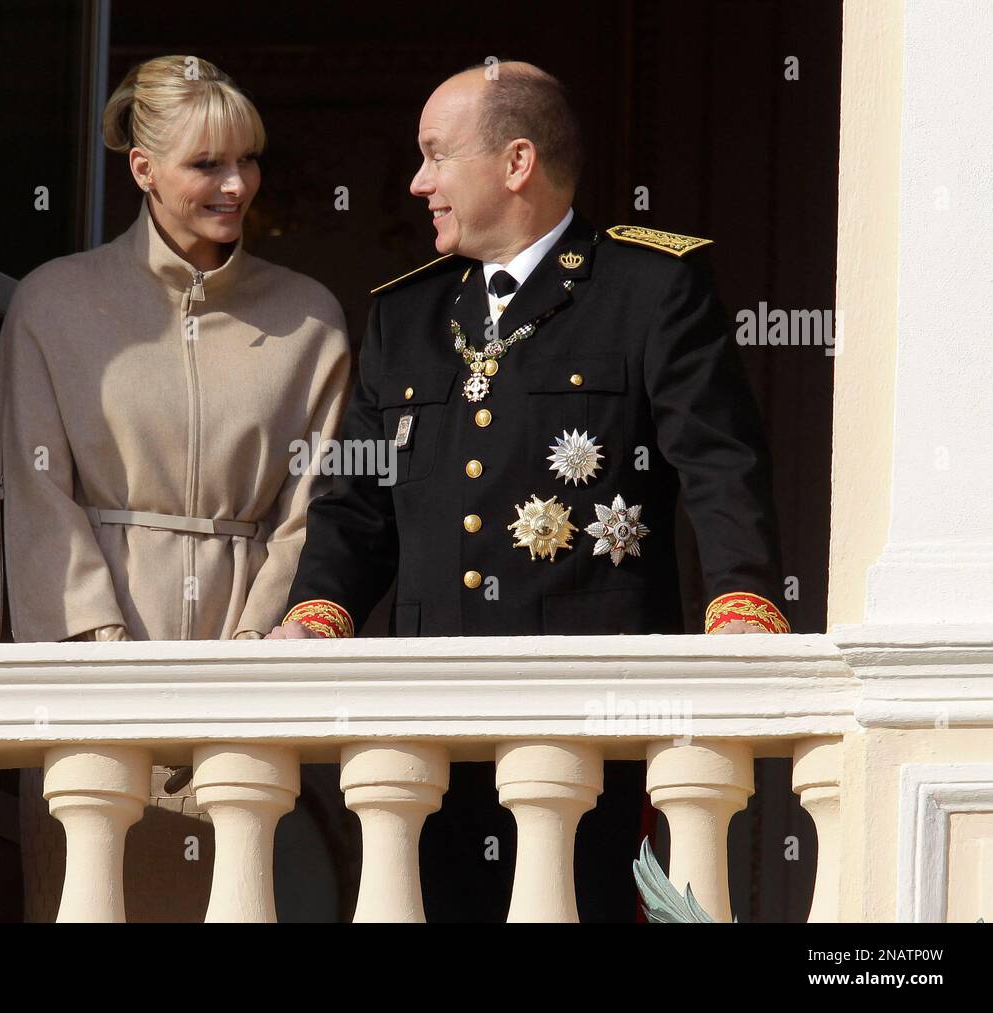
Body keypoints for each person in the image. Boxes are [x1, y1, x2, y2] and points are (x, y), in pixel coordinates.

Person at [268, 62, 790, 920]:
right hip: (430, 730)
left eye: (436, 156)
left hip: (591, 719)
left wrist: (742, 604)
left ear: (516, 163)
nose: (418, 181)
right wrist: (315, 611)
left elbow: (719, 462)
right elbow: (357, 506)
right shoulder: (405, 316)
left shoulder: (648, 287)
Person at [0, 55, 350, 920]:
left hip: (249, 680)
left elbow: (313, 507)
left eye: (247, 160)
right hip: (88, 680)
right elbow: (28, 491)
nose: (236, 184)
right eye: (207, 163)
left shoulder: (311, 317)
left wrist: (255, 643)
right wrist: (101, 650)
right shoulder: (54, 303)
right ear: (143, 169)